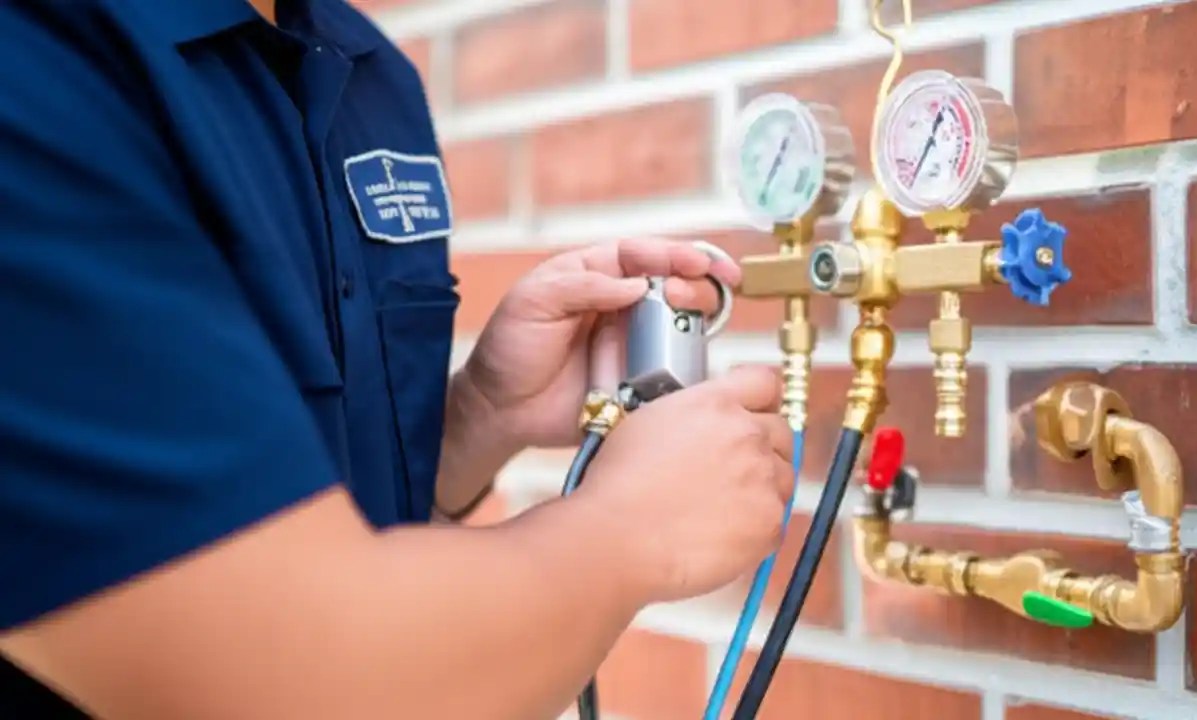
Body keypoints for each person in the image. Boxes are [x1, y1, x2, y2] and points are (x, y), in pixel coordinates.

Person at [0, 1, 795, 718]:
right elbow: (305, 687)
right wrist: (631, 528)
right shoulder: (37, 62)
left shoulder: (365, 72)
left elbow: (313, 515)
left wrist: (474, 422)